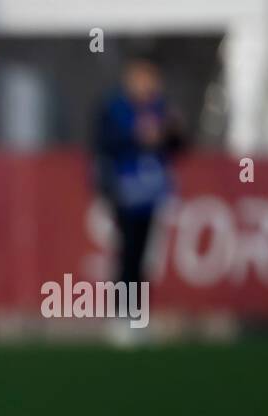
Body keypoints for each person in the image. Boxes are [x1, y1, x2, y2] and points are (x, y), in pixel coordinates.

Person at [93, 52, 186, 289]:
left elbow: (180, 145)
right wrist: (136, 136)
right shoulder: (114, 107)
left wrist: (168, 132)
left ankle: (138, 313)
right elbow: (102, 142)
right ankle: (123, 313)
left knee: (145, 255)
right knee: (128, 250)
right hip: (122, 191)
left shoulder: (162, 109)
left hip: (151, 193)